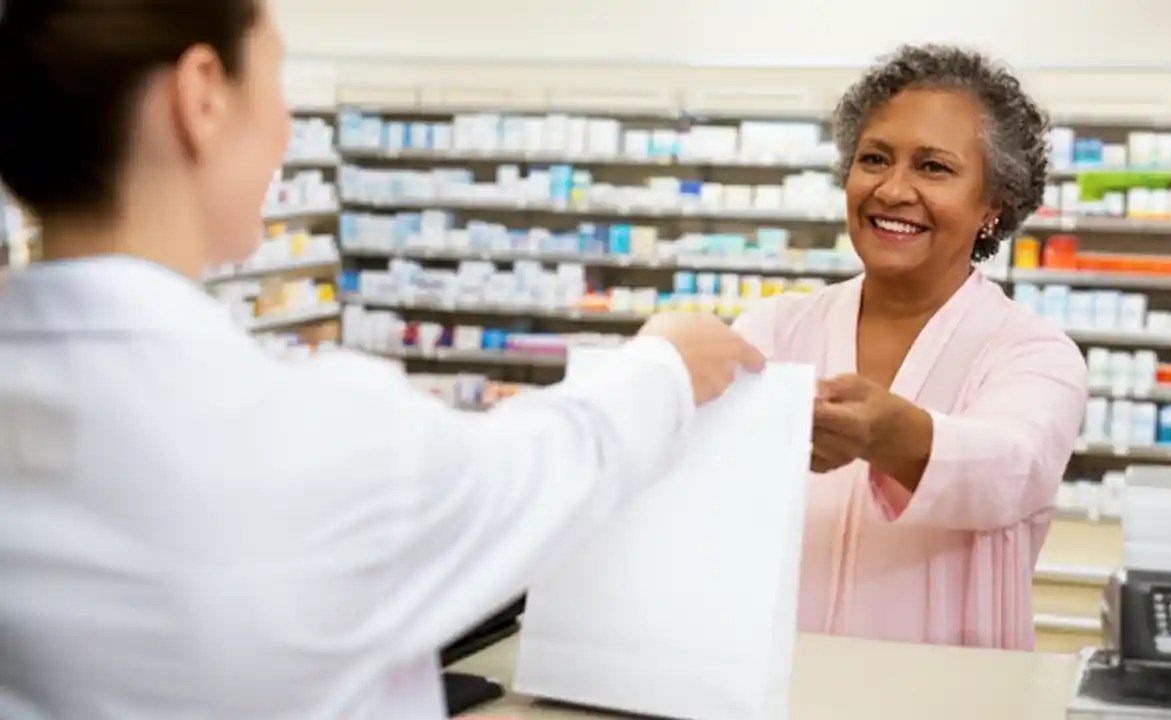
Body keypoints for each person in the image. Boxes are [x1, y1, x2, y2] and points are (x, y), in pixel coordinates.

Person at [0, 2, 765, 718]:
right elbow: (550, 463)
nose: (286, 124)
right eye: (275, 78)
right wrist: (665, 361)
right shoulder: (308, 437)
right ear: (203, 96)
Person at [733, 44, 1088, 651]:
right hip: (773, 680)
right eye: (874, 159)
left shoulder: (1032, 352)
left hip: (949, 692)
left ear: (993, 205)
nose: (893, 190)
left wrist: (887, 433)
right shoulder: (775, 328)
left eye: (934, 168)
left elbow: (1011, 471)